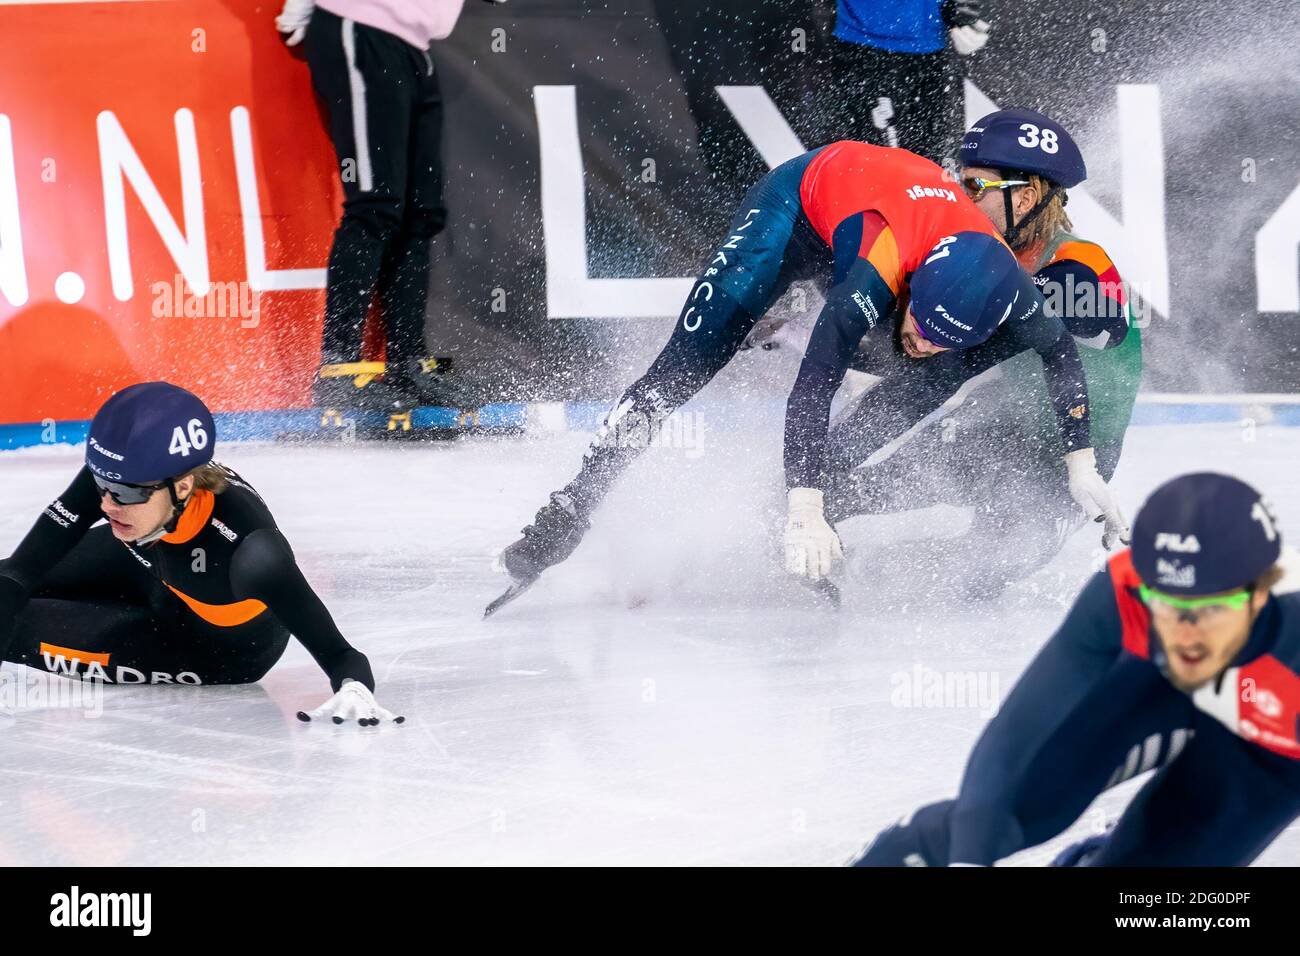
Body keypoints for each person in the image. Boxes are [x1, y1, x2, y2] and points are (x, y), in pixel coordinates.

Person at [488, 140, 1126, 614]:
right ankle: (572, 506)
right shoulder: (876, 277)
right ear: (906, 294)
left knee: (928, 371)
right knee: (688, 363)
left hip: (886, 226)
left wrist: (1081, 466)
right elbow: (812, 390)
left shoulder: (1012, 293)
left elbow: (1061, 356)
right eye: (918, 330)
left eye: (935, 338)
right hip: (803, 202)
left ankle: (801, 330)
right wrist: (806, 512)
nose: (921, 345)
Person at [852, 472, 1300, 866]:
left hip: (1268, 749)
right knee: (1016, 814)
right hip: (1151, 690)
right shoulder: (1125, 589)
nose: (1185, 637)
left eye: (1207, 613)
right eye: (1167, 607)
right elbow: (1013, 738)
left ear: (1260, 594)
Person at [822, 107, 1143, 597]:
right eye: (959, 183)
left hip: (1072, 458)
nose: (958, 198)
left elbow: (1103, 322)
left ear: (1028, 197)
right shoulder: (972, 256)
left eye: (975, 189)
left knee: (978, 574)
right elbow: (926, 380)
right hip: (999, 424)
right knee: (864, 489)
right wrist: (807, 481)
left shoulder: (1079, 260)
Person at [0, 383, 401, 726]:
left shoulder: (252, 554)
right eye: (101, 484)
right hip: (151, 568)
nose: (106, 504)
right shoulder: (128, 478)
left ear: (184, 487)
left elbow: (340, 653)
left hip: (207, 648)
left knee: (15, 627)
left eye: (124, 493)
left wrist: (355, 688)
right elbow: (22, 570)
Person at [274, 0, 502, 411]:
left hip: (415, 44)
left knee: (421, 213)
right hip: (360, 26)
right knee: (374, 204)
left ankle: (406, 361)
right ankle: (338, 367)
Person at [818, 0, 990, 164]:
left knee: (932, 167)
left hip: (930, 45)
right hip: (865, 43)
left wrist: (958, 7)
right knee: (870, 165)